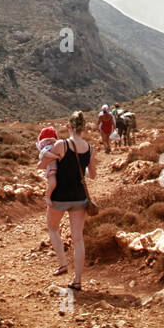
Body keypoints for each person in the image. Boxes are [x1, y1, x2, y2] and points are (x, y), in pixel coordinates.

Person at [44, 111, 96, 291]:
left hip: (59, 197)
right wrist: (80, 169)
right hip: (79, 198)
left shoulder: (62, 144)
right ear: (84, 128)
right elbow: (92, 174)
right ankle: (78, 280)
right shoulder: (90, 148)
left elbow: (45, 161)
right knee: (78, 239)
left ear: (69, 126)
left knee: (53, 228)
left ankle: (62, 263)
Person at [35, 126, 60, 203]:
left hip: (57, 169)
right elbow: (44, 153)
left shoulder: (55, 146)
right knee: (53, 183)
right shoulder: (47, 147)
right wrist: (55, 156)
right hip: (52, 170)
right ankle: (47, 196)